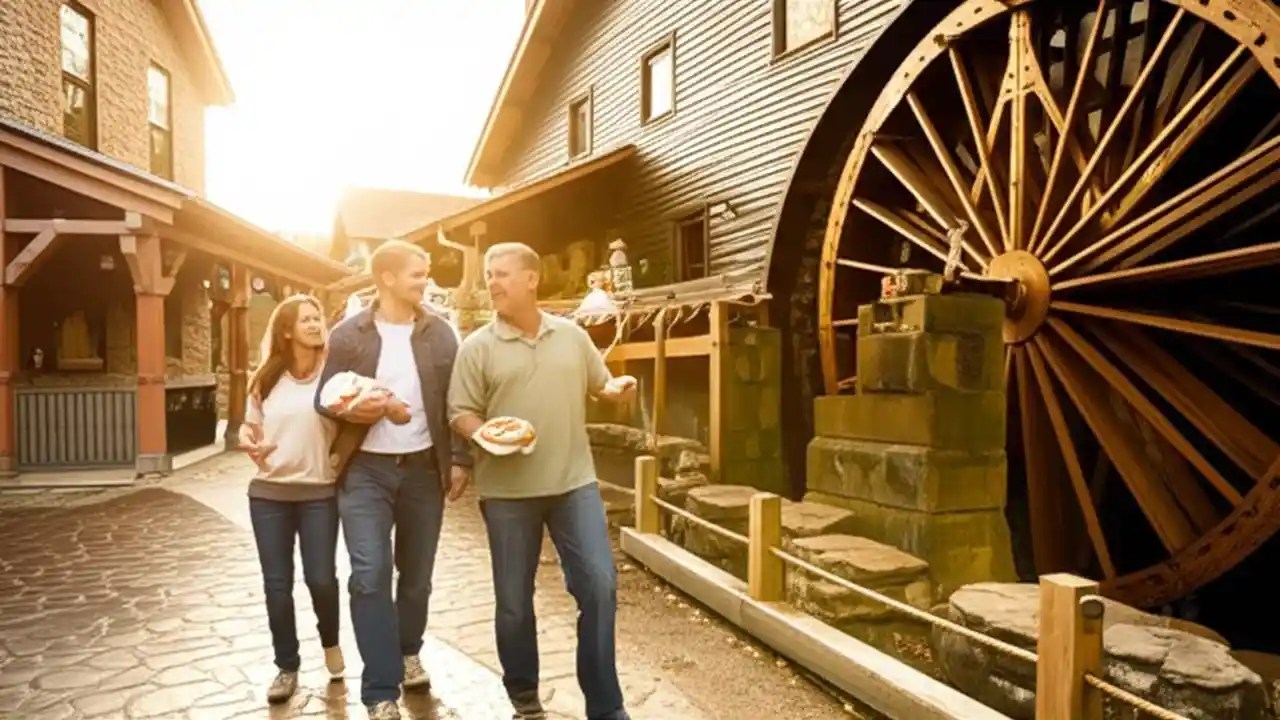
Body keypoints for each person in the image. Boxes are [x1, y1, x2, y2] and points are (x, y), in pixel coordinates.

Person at [448, 242, 636, 720]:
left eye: (503, 273)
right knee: (514, 603)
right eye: (490, 274)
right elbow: (461, 413)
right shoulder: (477, 348)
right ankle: (524, 697)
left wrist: (616, 390)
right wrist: (483, 433)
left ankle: (606, 705)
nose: (493, 282)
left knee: (599, 586)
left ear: (532, 279)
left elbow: (602, 385)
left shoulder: (572, 337)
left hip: (574, 484)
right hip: (507, 493)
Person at [315, 240, 472, 720]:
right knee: (369, 574)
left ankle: (408, 651)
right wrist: (367, 404)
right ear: (386, 278)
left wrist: (460, 459)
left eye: (424, 274)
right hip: (365, 471)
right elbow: (325, 396)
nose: (425, 281)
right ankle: (380, 691)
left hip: (424, 470)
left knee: (417, 578)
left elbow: (457, 399)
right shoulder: (348, 335)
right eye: (416, 274)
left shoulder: (442, 334)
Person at [236, 294, 344, 704]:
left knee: (320, 578)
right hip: (269, 495)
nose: (317, 324)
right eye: (307, 319)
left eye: (319, 318)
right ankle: (287, 666)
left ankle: (331, 642)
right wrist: (250, 443)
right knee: (276, 586)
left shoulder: (334, 377)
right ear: (286, 330)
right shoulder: (266, 379)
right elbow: (249, 428)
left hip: (320, 492)